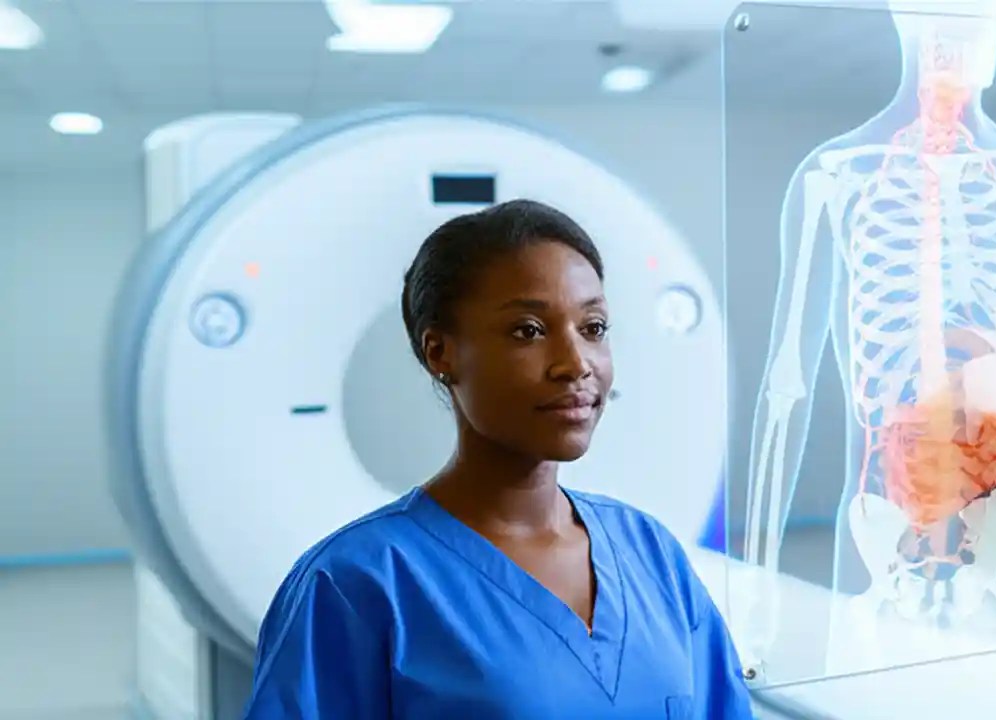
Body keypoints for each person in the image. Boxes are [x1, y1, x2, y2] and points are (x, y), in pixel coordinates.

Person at [241, 199, 755, 718]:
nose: (575, 364)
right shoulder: (357, 583)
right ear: (440, 353)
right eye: (528, 331)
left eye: (593, 327)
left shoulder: (650, 555)